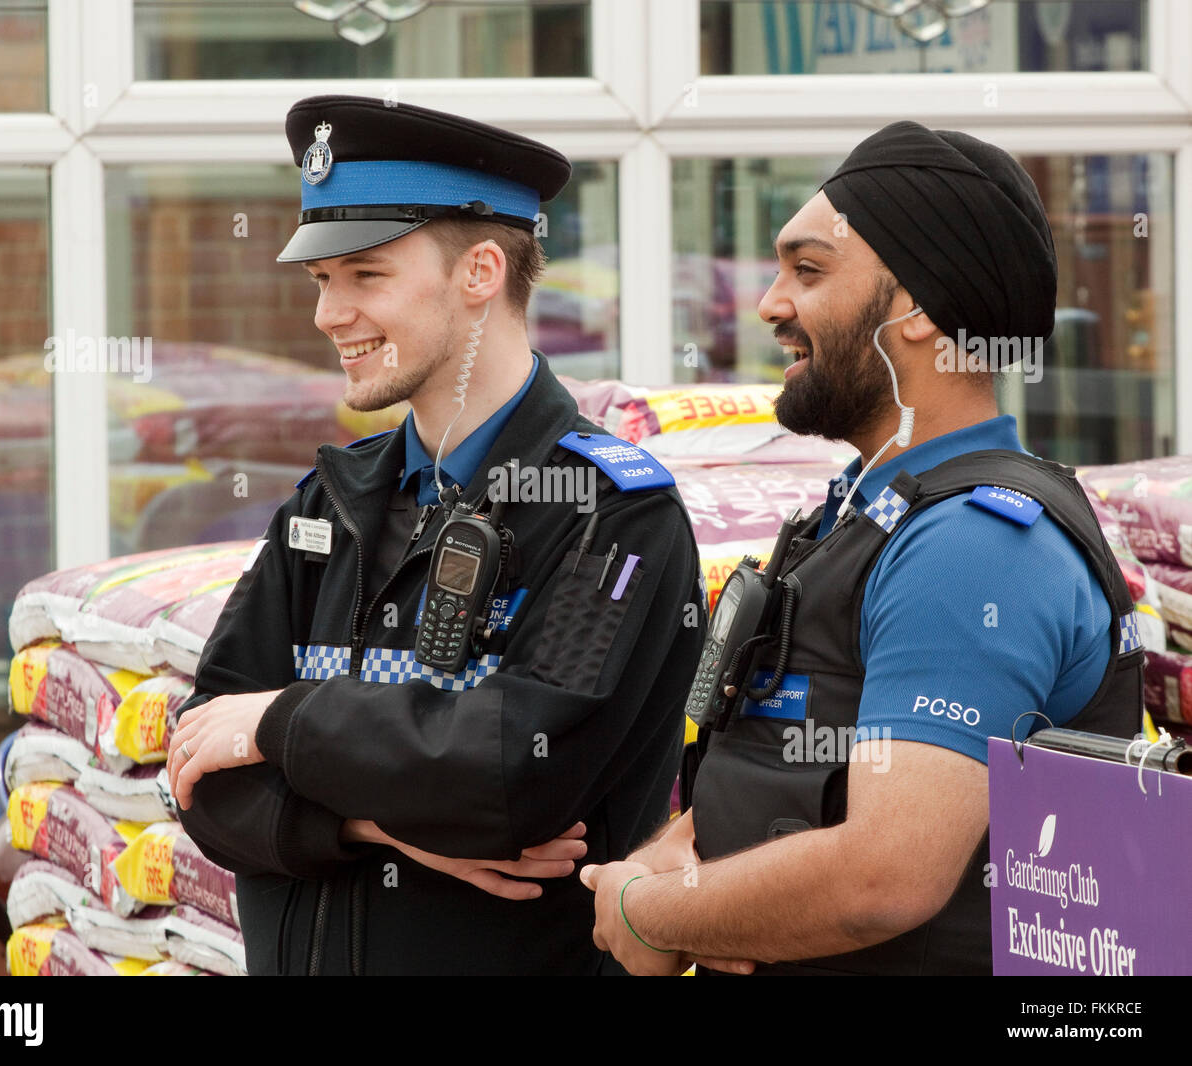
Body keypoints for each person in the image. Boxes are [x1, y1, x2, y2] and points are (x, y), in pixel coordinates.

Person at [581, 120, 1144, 976]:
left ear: (919, 308)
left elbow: (884, 878)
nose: (770, 304)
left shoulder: (973, 546)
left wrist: (656, 913)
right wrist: (666, 865)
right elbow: (767, 761)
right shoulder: (862, 514)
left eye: (808, 271)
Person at [164, 95, 705, 975]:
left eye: (365, 276)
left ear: (481, 271)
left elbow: (510, 775)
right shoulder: (326, 506)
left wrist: (281, 723)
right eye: (320, 283)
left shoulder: (611, 515)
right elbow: (201, 770)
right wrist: (372, 827)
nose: (328, 316)